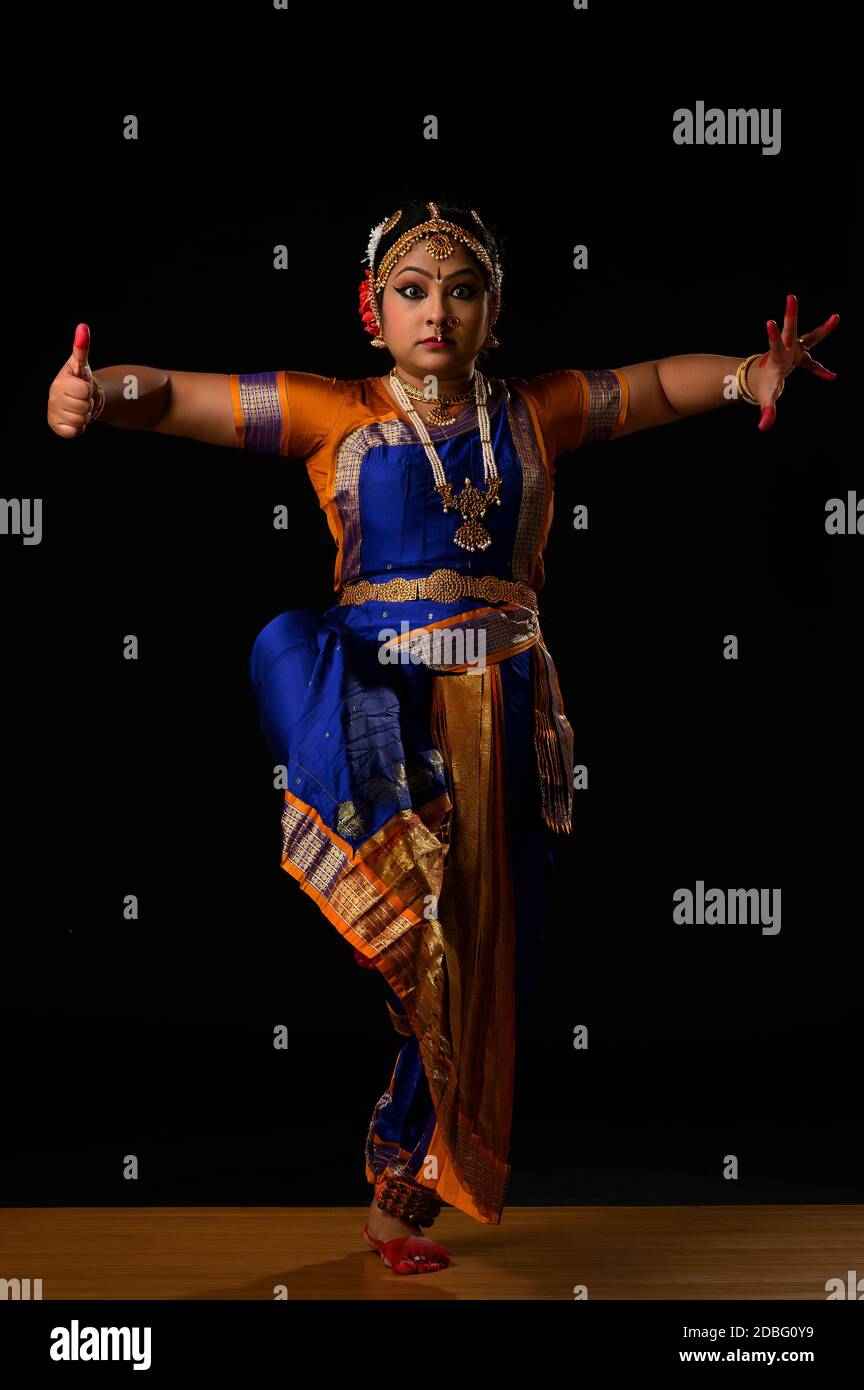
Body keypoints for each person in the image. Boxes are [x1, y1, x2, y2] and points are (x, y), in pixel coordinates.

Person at [47, 200, 839, 1276]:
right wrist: (99, 395)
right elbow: (184, 397)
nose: (437, 310)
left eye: (461, 291)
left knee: (488, 957)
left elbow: (650, 386)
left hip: (507, 707)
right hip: (381, 697)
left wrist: (751, 373)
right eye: (413, 290)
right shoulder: (340, 411)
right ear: (372, 311)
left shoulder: (532, 413)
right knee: (398, 881)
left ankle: (403, 1192)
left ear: (493, 313)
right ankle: (396, 1147)